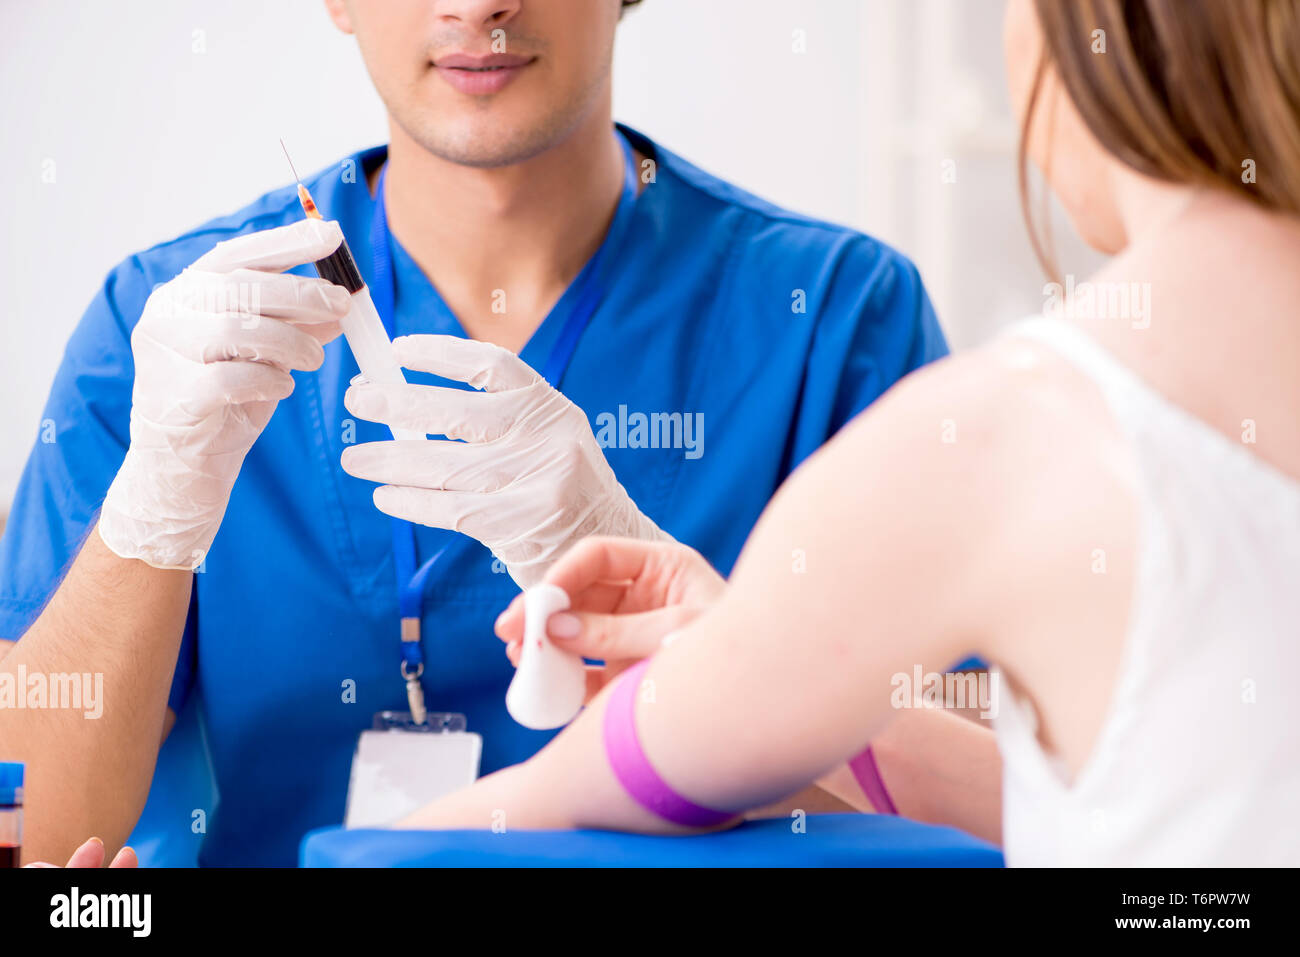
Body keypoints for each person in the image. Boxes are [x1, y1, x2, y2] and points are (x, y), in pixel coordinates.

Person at [0, 0, 946, 866]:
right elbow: (32, 827)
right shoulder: (167, 331)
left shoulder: (835, 318)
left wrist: (697, 640)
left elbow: (949, 820)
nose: (478, 4)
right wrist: (151, 511)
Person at [401, 0, 1300, 866]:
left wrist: (736, 663)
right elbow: (1134, 814)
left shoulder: (999, 425)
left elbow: (548, 802)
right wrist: (747, 650)